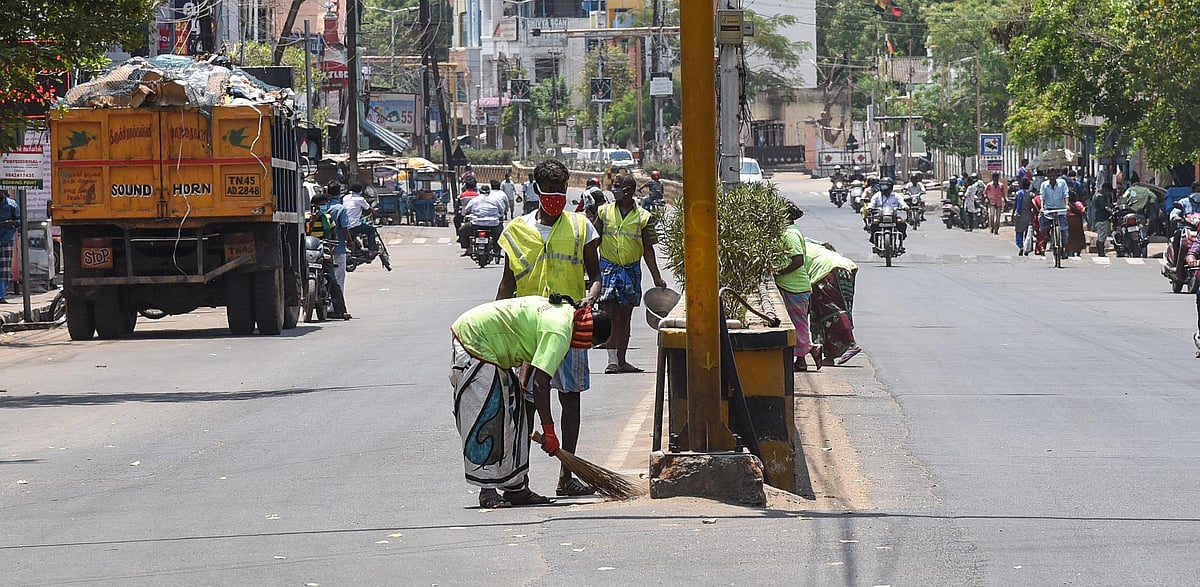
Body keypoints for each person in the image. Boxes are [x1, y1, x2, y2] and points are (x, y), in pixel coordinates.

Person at [497, 158, 603, 497]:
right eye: (549, 193)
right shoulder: (516, 231)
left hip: (570, 324)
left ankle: (566, 476)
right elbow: (506, 285)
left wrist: (590, 296)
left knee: (570, 400)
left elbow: (596, 276)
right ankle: (519, 480)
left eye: (561, 192)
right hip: (529, 330)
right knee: (526, 404)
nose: (556, 199)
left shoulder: (581, 227)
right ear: (536, 190)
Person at [450, 295, 611, 508]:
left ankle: (516, 488)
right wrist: (550, 431)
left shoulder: (563, 312)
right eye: (591, 344)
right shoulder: (560, 330)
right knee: (488, 417)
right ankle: (487, 491)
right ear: (588, 334)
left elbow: (531, 346)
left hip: (494, 349)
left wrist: (520, 385)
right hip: (476, 341)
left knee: (516, 419)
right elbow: (541, 384)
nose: (585, 347)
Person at [594, 173, 667, 374]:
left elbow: (648, 249)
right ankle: (612, 361)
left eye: (617, 186)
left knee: (624, 317)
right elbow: (594, 242)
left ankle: (622, 359)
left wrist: (656, 276)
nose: (613, 189)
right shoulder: (603, 212)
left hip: (631, 271)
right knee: (609, 316)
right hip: (608, 269)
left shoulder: (644, 217)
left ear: (627, 190)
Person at [774, 202, 821, 372]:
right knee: (797, 323)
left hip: (794, 286)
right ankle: (801, 359)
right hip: (793, 286)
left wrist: (778, 272)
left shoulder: (790, 235)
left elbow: (798, 260)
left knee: (798, 324)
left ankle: (810, 349)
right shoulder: (790, 232)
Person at [804, 238, 861, 365]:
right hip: (846, 268)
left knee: (831, 310)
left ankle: (850, 344)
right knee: (823, 313)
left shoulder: (795, 246)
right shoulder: (813, 244)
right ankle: (828, 355)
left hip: (827, 272)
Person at [307, 193, 352, 319]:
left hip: (324, 251)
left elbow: (333, 236)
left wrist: (331, 249)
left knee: (332, 278)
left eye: (324, 204)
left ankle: (340, 310)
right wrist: (312, 222)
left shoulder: (328, 218)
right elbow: (305, 233)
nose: (323, 207)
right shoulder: (307, 218)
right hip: (310, 251)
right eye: (320, 205)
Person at [458, 184, 506, 256]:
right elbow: (502, 211)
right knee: (500, 235)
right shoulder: (495, 200)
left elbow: (466, 210)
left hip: (476, 224)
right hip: (493, 224)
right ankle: (496, 251)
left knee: (461, 231)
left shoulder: (474, 200)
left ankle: (468, 248)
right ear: (489, 192)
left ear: (479, 191)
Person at [865, 177, 908, 249]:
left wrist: (905, 207)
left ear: (891, 186)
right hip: (880, 216)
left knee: (901, 223)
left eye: (886, 186)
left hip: (893, 216)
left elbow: (902, 203)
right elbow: (872, 203)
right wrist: (870, 208)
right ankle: (873, 239)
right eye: (883, 186)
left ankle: (901, 239)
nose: (884, 188)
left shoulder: (896, 196)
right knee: (874, 223)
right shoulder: (877, 195)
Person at [342, 182, 380, 258]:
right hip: (354, 225)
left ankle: (357, 249)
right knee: (371, 230)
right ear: (360, 190)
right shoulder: (360, 199)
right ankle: (372, 250)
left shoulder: (345, 198)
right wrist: (375, 211)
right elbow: (369, 209)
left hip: (345, 224)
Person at [1039, 168, 1071, 254]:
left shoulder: (1062, 183)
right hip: (1049, 211)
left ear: (1056, 175)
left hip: (1060, 210)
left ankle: (1063, 247)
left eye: (1053, 175)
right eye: (1050, 176)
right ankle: (1048, 238)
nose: (1052, 177)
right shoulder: (1044, 185)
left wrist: (1067, 204)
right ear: (1047, 176)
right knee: (1043, 228)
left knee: (1065, 233)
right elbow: (1042, 197)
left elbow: (1066, 194)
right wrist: (1042, 207)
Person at [0, 190, 19, 303]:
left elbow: (19, 221)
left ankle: (1, 295)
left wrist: (10, 223)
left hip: (6, 240)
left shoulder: (12, 205)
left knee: (4, 270)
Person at [1013, 179, 1034, 256]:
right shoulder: (1031, 195)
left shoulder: (1018, 193)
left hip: (1020, 215)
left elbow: (1016, 205)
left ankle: (1021, 246)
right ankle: (1027, 248)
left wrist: (1013, 214)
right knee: (1027, 233)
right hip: (1028, 215)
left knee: (1019, 232)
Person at [1091, 183, 1113, 257]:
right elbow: (1105, 207)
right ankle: (1101, 253)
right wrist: (1111, 211)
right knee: (1102, 236)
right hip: (1102, 218)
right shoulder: (1100, 197)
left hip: (1099, 218)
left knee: (1101, 235)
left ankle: (1101, 252)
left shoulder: (1096, 195)